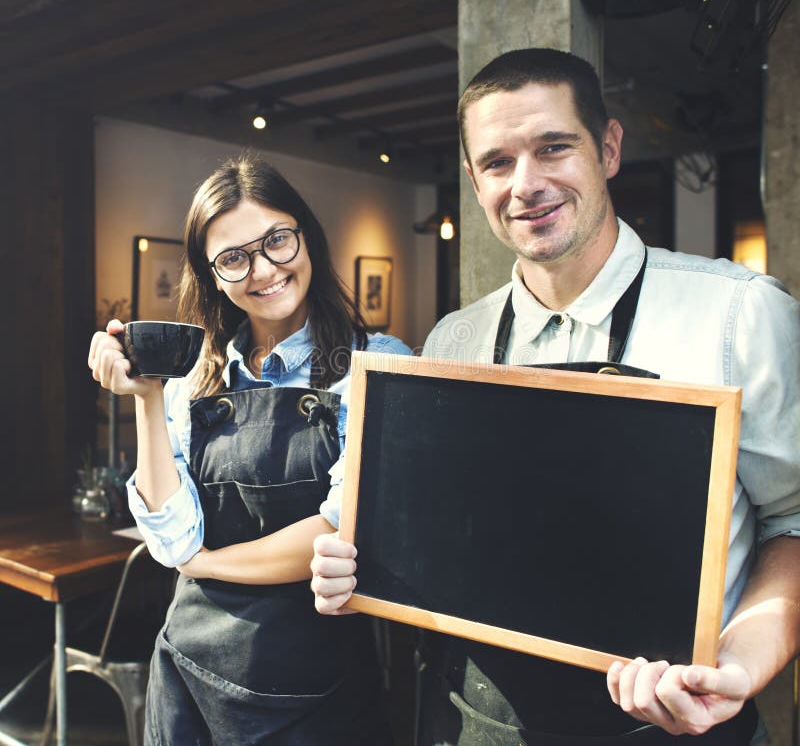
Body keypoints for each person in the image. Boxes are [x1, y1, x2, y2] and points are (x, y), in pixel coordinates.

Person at [310, 48, 800, 745]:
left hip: (670, 723)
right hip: (481, 721)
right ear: (475, 181)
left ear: (607, 149)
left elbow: (794, 524)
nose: (526, 184)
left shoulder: (739, 315)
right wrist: (350, 563)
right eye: (498, 163)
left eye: (553, 148)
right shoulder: (454, 340)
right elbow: (424, 531)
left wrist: (736, 667)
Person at [88, 155, 410, 744]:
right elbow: (173, 537)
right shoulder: (192, 378)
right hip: (188, 677)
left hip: (316, 686)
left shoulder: (377, 364)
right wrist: (145, 398)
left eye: (277, 241)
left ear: (306, 237)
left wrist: (208, 565)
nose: (263, 269)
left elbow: (345, 527)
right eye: (234, 257)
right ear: (212, 275)